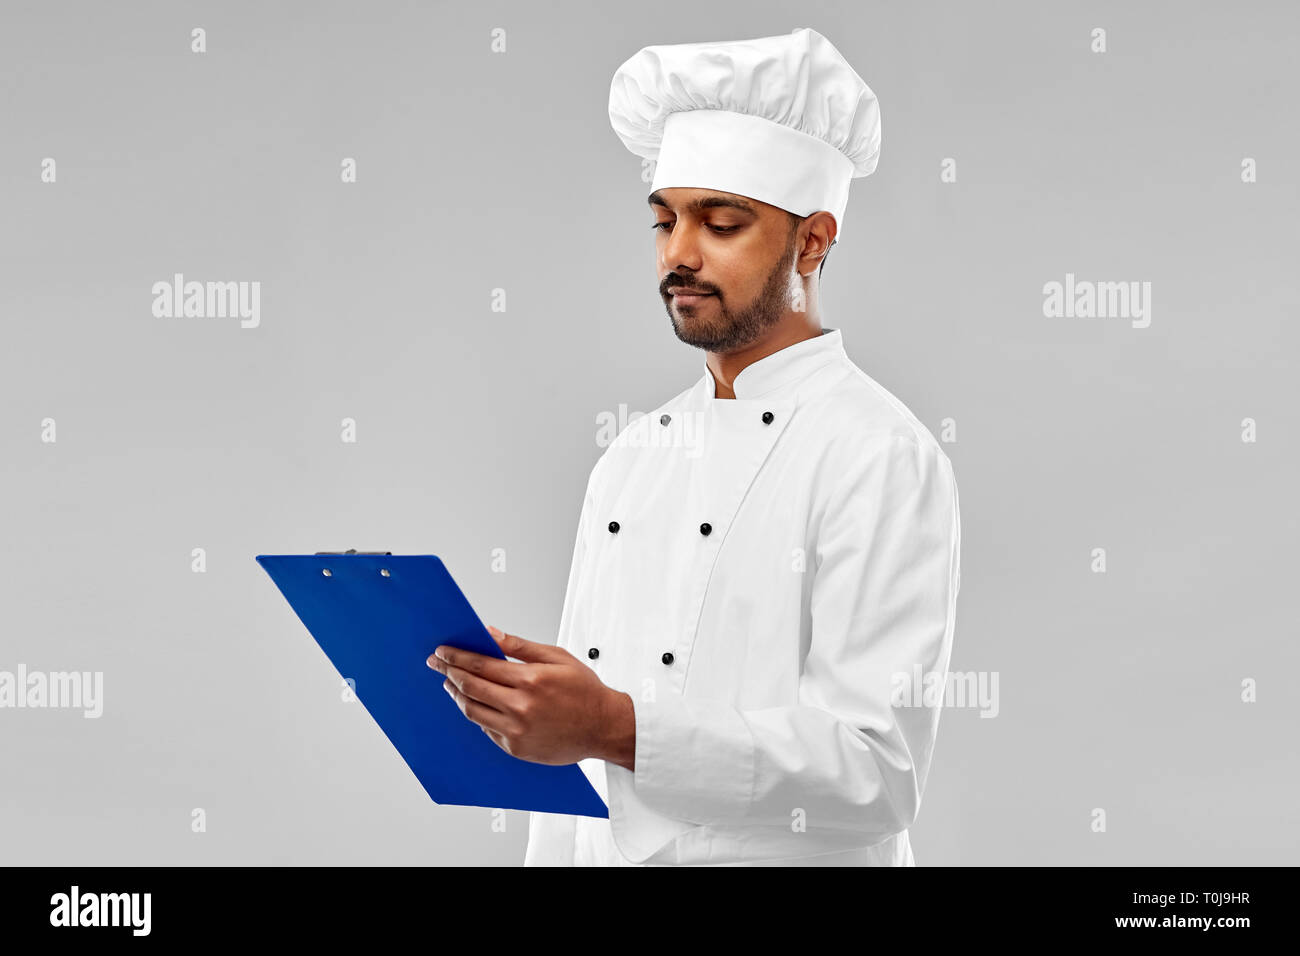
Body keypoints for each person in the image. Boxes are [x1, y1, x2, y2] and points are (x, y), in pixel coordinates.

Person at [426, 26, 962, 866]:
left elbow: (878, 771)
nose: (678, 253)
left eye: (720, 222)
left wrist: (612, 724)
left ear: (812, 241)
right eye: (664, 219)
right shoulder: (630, 459)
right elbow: (575, 796)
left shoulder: (877, 452)